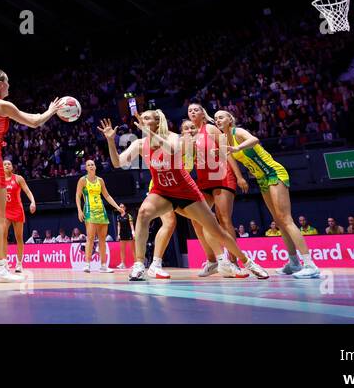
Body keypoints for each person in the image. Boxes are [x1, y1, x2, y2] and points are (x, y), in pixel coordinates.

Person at [99, 112, 253, 282]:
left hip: (184, 190)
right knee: (146, 215)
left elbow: (171, 150)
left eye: (147, 118)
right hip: (162, 190)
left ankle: (234, 261)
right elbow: (117, 163)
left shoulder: (174, 138)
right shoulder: (140, 143)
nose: (142, 120)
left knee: (211, 226)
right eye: (142, 118)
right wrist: (110, 141)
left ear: (158, 122)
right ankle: (142, 265)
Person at [0, 69, 61, 283]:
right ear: (0, 84)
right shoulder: (1, 104)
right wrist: (51, 110)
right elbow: (35, 121)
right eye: (7, 82)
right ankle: (0, 269)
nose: (9, 86)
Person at [215, 110, 319, 278]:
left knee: (286, 219)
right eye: (215, 118)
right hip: (261, 178)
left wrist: (239, 147)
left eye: (221, 117)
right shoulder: (224, 140)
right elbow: (230, 158)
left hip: (273, 172)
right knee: (278, 221)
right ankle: (294, 263)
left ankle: (310, 264)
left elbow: (255, 139)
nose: (217, 120)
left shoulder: (237, 132)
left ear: (229, 119)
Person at [187, 104, 267, 279]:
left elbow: (228, 153)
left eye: (196, 109)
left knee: (223, 219)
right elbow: (189, 164)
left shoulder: (211, 128)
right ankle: (213, 261)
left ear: (203, 113)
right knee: (197, 220)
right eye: (189, 110)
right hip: (204, 180)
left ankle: (233, 261)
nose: (192, 112)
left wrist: (239, 177)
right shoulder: (192, 136)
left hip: (222, 176)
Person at [75, 157, 125, 273]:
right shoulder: (83, 180)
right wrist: (79, 210)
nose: (91, 166)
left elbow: (107, 196)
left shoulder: (100, 181)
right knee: (91, 238)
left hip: (101, 211)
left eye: (92, 164)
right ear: (86, 168)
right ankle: (87, 264)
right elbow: (77, 196)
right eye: (89, 165)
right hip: (89, 211)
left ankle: (103, 265)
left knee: (102, 239)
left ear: (95, 167)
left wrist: (117, 207)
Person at [3, 160, 37, 271]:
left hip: (17, 210)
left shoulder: (18, 178)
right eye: (4, 164)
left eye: (9, 164)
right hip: (5, 211)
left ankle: (19, 263)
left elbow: (27, 191)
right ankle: (4, 262)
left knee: (19, 238)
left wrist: (33, 202)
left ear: (12, 167)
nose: (7, 165)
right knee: (3, 236)